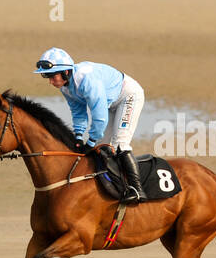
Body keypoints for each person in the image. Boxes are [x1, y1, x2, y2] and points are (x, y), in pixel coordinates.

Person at [33, 47, 147, 202]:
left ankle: (137, 190)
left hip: (128, 96)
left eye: (53, 76)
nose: (51, 81)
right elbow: (78, 113)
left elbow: (99, 117)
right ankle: (116, 185)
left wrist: (91, 141)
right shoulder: (65, 87)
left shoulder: (87, 81)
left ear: (66, 72)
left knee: (120, 144)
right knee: (103, 147)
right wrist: (79, 136)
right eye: (47, 77)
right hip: (111, 103)